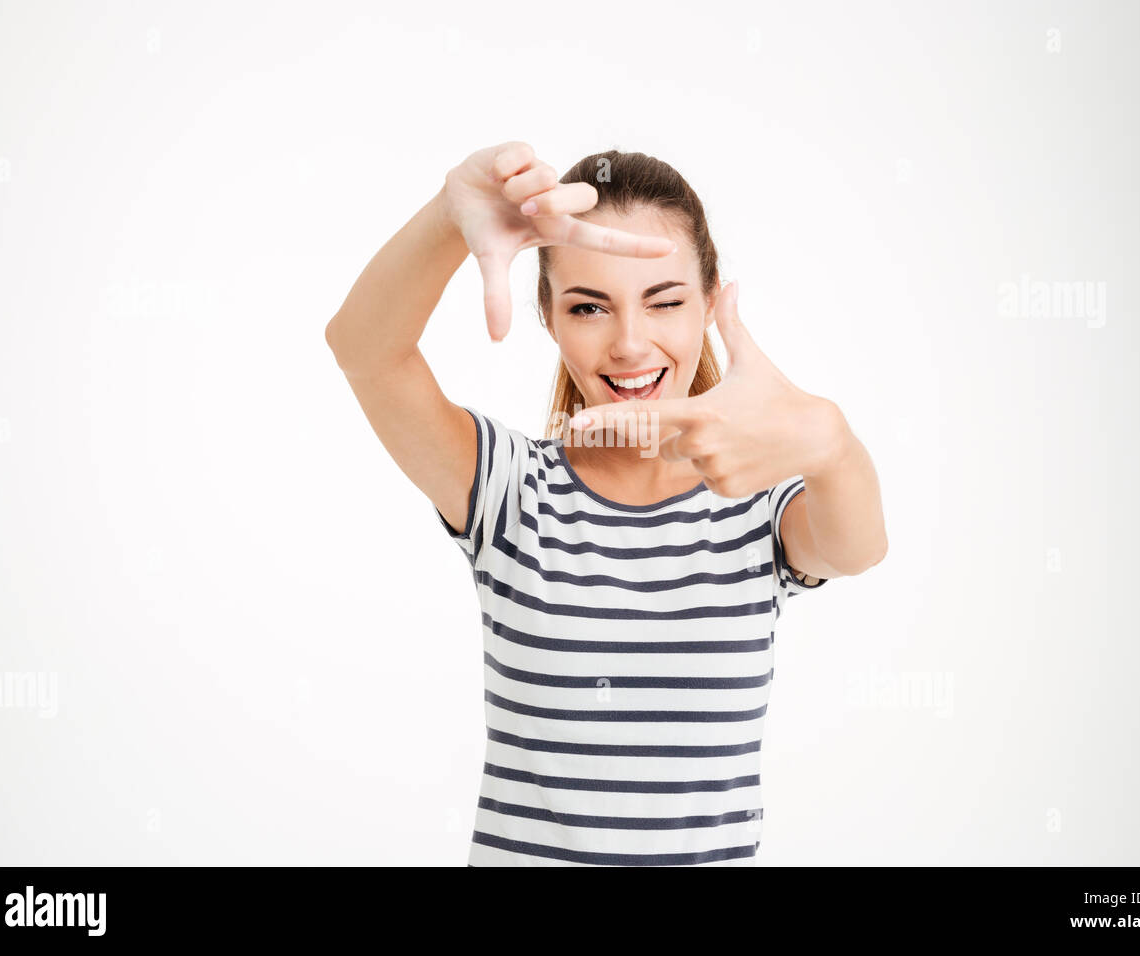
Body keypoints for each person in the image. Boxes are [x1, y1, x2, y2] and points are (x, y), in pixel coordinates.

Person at [325, 141, 888, 865]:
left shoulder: (755, 501)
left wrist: (829, 439)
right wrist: (447, 216)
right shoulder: (511, 491)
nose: (629, 344)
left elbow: (859, 547)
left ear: (710, 301)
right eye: (590, 307)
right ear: (550, 317)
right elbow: (364, 349)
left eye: (665, 301)